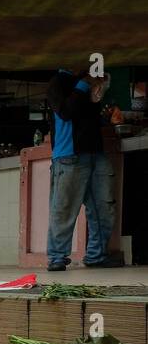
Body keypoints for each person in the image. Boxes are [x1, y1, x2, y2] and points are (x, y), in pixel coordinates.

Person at [47, 67, 116, 271]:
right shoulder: (58, 81)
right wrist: (85, 84)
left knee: (104, 206)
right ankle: (57, 257)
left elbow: (90, 114)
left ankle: (96, 254)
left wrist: (99, 88)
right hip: (69, 154)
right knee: (65, 209)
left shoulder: (85, 81)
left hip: (95, 151)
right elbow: (66, 112)